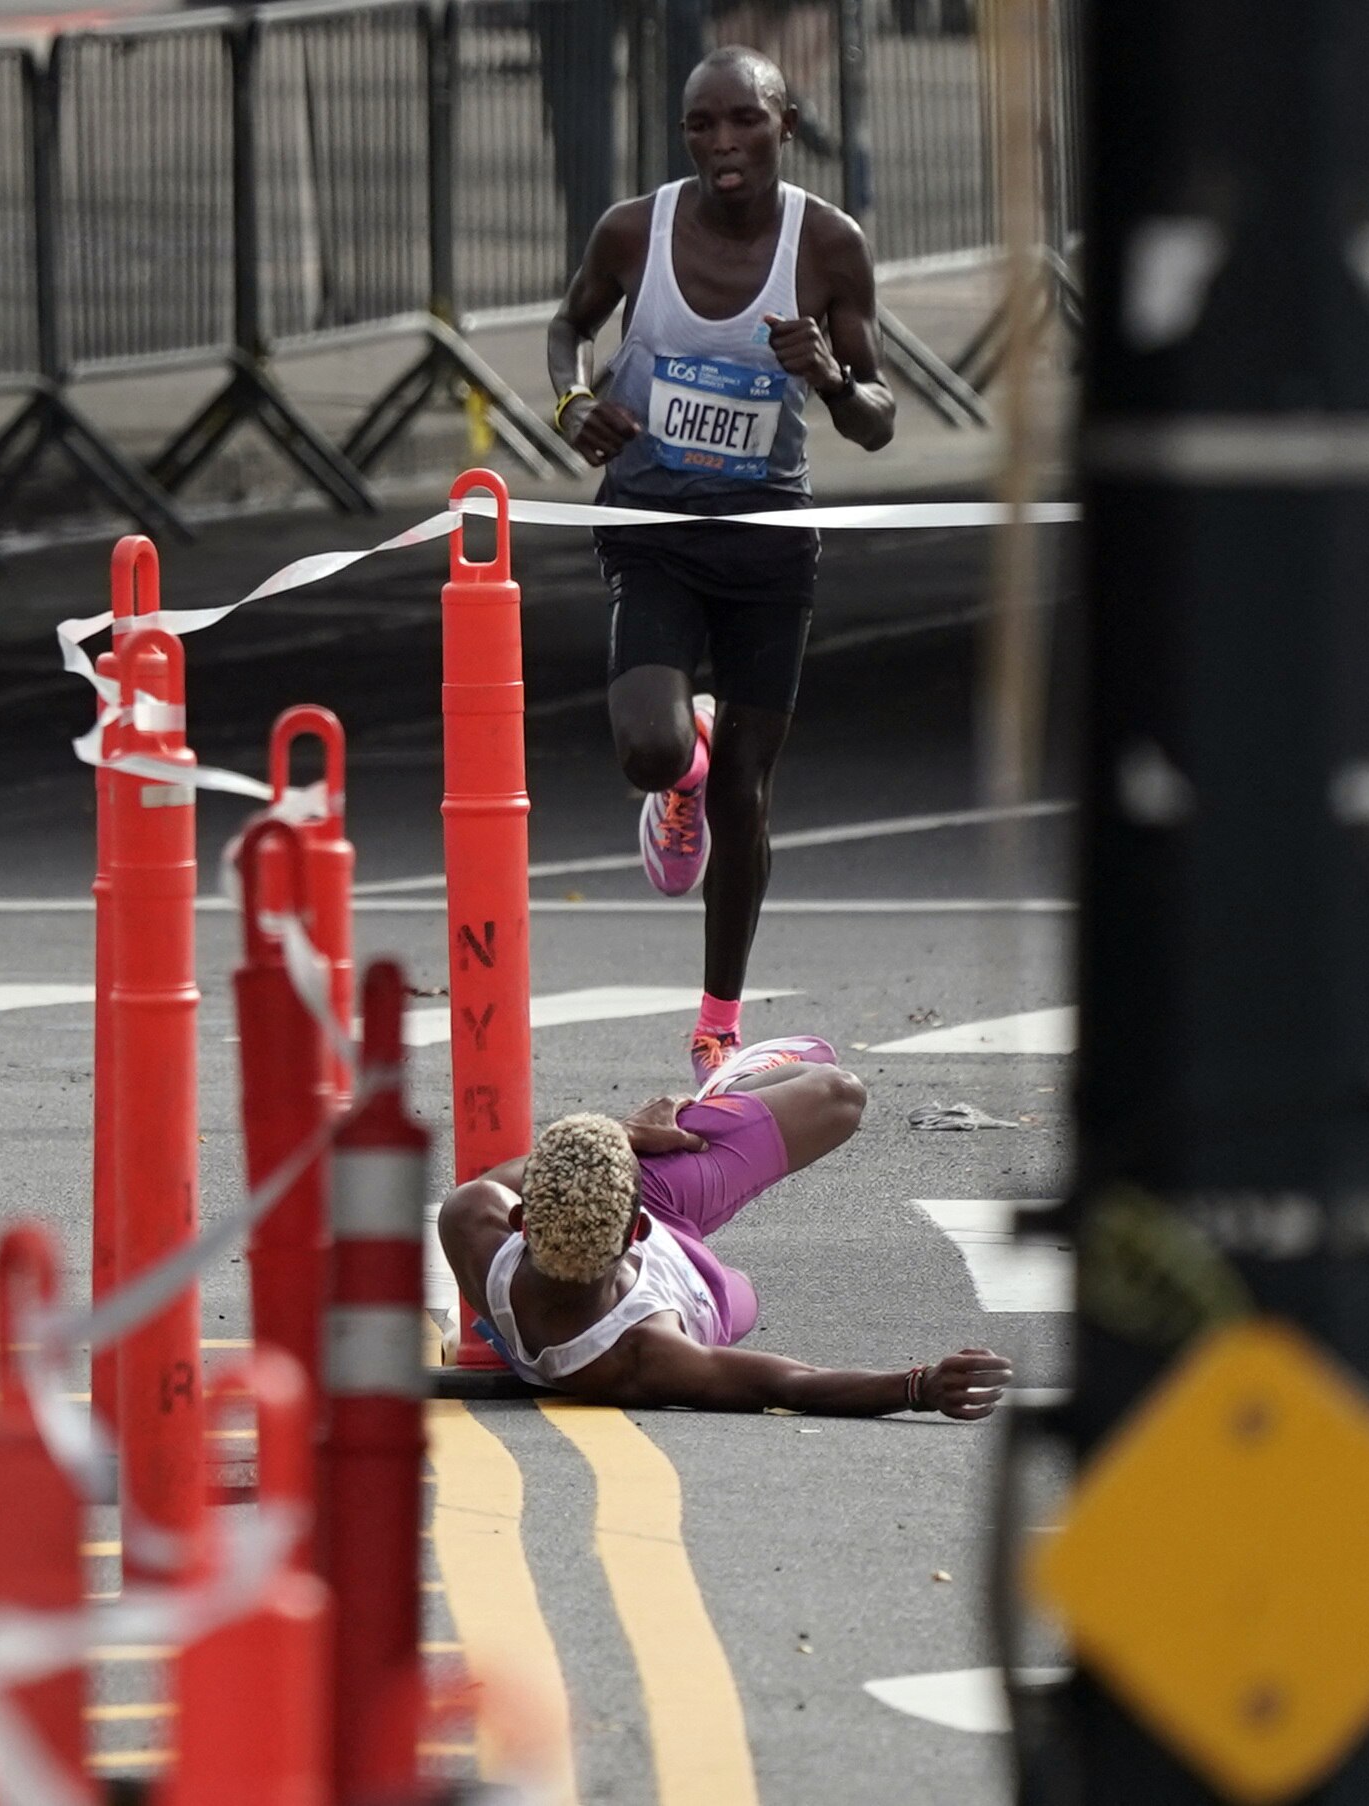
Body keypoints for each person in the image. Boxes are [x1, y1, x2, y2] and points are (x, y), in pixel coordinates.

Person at [546, 45, 897, 1082]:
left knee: (749, 787)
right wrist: (572, 404)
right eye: (701, 124)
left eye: (743, 120)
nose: (721, 143)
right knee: (652, 752)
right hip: (653, 524)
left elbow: (876, 422)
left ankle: (717, 1024)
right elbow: (569, 325)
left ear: (786, 125)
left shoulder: (828, 246)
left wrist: (832, 379)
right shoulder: (633, 230)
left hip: (769, 539)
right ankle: (679, 770)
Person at [437, 1044, 1010, 1416]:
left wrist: (629, 1133)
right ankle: (706, 1109)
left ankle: (695, 1108)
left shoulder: (470, 1215)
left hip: (641, 1198)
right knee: (746, 1288)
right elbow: (793, 1384)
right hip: (704, 1289)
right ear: (638, 1232)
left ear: (520, 1220)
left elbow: (536, 1174)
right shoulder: (646, 1355)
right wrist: (917, 1386)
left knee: (839, 1095)